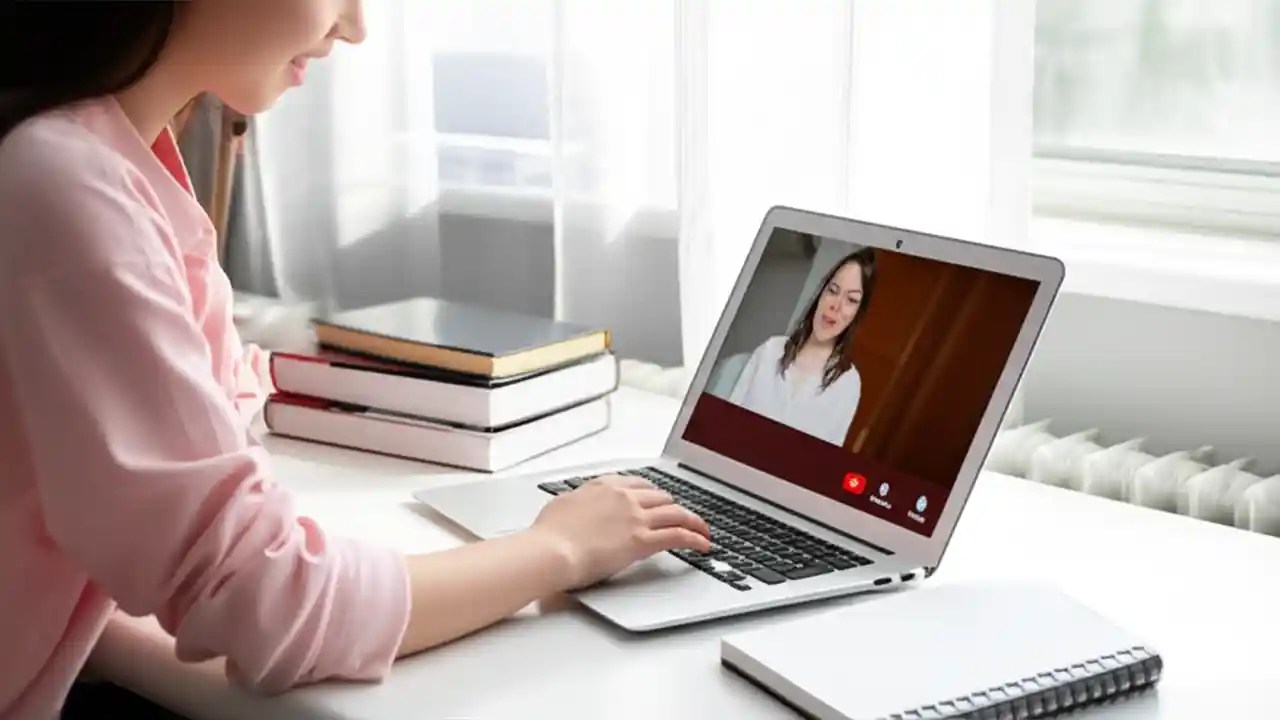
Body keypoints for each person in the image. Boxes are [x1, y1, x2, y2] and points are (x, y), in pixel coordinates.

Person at [0, 2, 710, 717]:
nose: (355, 26)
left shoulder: (103, 157)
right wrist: (558, 551)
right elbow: (262, 599)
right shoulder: (63, 181)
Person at [728, 247, 877, 446]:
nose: (836, 305)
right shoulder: (769, 351)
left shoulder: (848, 384)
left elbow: (825, 460)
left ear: (858, 313)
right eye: (833, 290)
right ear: (821, 294)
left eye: (851, 300)